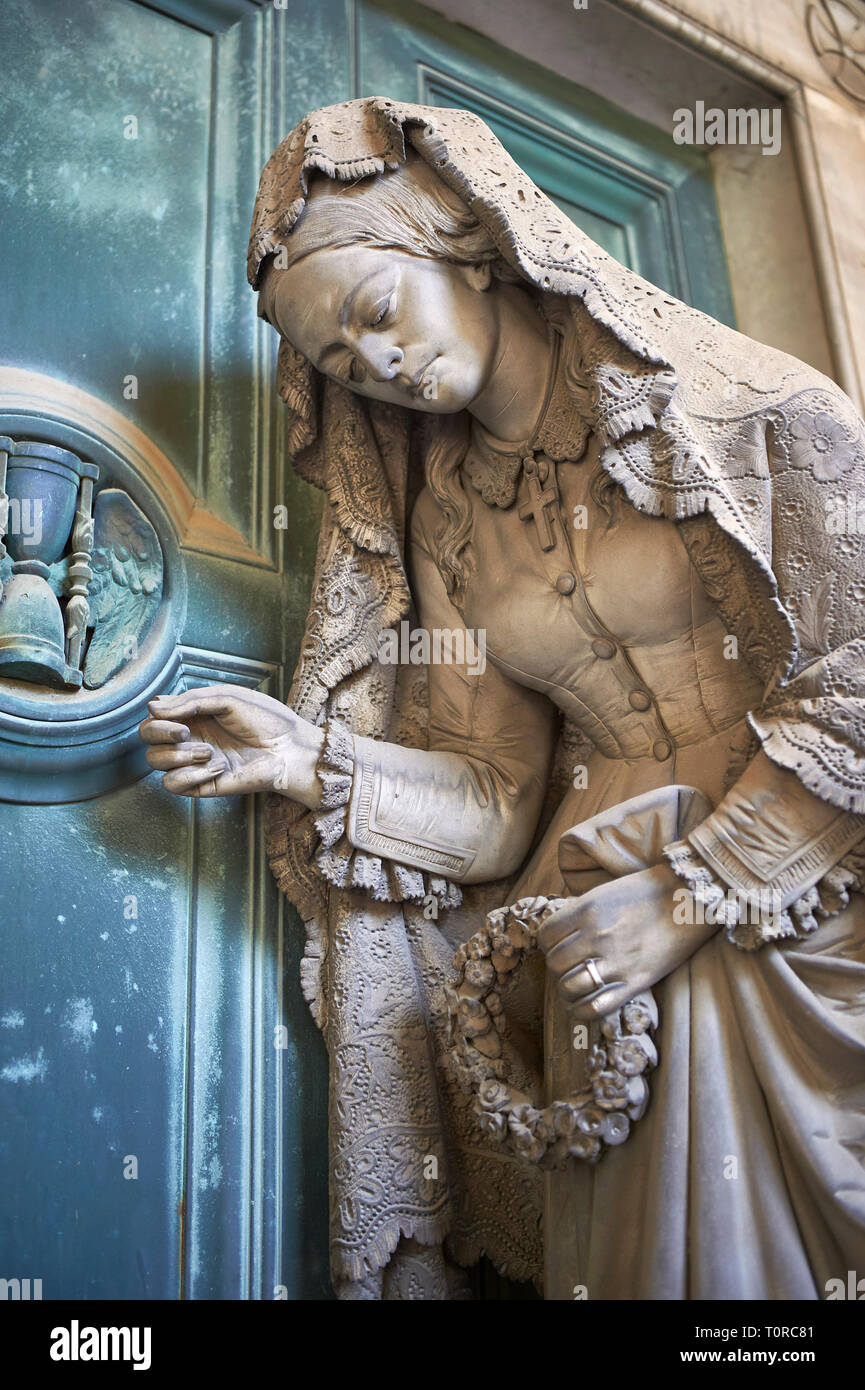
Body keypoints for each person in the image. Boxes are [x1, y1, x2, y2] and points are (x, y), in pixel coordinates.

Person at [139, 98, 865, 1300]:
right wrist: (310, 761)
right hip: (592, 941)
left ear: (471, 244)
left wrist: (686, 899)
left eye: (377, 312)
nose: (377, 365)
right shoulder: (451, 528)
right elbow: (492, 797)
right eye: (336, 361)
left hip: (799, 893)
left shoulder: (753, 414)